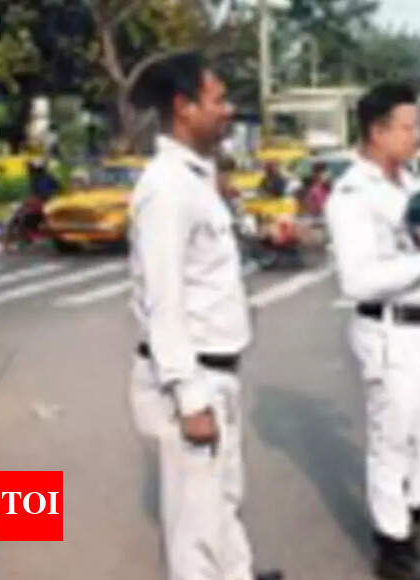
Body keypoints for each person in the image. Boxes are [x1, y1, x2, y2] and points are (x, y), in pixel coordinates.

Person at [126, 52, 281, 580]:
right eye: (218, 99)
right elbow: (162, 301)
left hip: (218, 372)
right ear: (184, 107)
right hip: (191, 379)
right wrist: (189, 397)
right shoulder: (167, 187)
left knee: (222, 505)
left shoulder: (197, 180)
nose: (228, 110)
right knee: (195, 535)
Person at [326, 82, 420, 580]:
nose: (418, 136)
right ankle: (393, 545)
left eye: (418, 126)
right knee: (393, 438)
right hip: (392, 331)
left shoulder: (407, 185)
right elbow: (358, 279)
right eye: (407, 127)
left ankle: (419, 505)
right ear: (376, 131)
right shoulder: (352, 195)